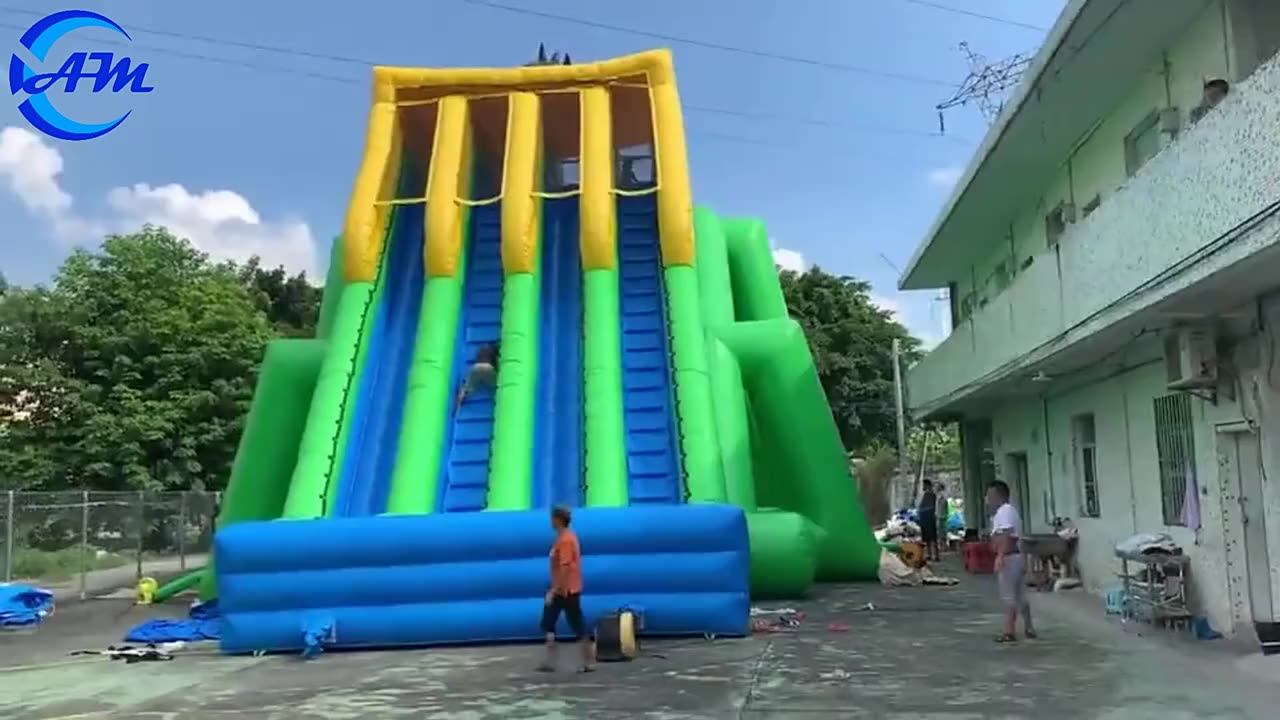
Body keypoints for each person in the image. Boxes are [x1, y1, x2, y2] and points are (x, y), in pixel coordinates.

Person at [538, 505, 594, 673]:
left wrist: (554, 590)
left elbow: (565, 567)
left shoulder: (566, 540)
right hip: (561, 588)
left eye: (553, 518)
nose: (551, 521)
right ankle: (550, 661)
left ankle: (588, 661)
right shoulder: (561, 538)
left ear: (558, 519)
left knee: (578, 625)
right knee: (548, 623)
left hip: (567, 590)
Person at [988, 480, 1036, 643]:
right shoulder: (1008, 511)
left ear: (998, 496)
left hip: (1009, 557)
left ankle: (1009, 631)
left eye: (990, 495)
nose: (988, 499)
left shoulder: (1004, 511)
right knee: (1020, 595)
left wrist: (1000, 555)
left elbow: (1007, 535)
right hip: (1015, 556)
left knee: (1009, 596)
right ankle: (1029, 626)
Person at [455, 344, 499, 409]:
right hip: (488, 369)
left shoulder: (481, 352)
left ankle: (462, 394)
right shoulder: (493, 353)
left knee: (469, 384)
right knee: (497, 384)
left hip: (477, 368)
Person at [917, 480, 939, 562]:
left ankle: (935, 555)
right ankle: (929, 555)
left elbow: (930, 507)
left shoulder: (931, 495)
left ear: (927, 485)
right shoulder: (925, 494)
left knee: (932, 538)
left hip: (929, 518)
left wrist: (922, 511)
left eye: (923, 485)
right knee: (927, 539)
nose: (922, 487)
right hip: (924, 518)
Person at [934, 482, 949, 553]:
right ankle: (943, 546)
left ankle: (943, 546)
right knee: (941, 531)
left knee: (941, 532)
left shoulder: (941, 495)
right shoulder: (939, 495)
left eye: (937, 486)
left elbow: (942, 506)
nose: (935, 488)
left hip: (941, 515)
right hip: (941, 515)